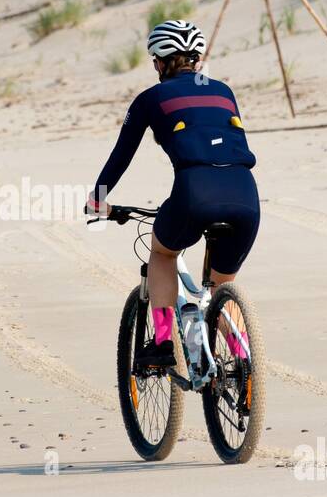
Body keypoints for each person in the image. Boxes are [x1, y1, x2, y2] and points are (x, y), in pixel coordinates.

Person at [86, 19, 260, 368]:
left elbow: (121, 156)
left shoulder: (150, 99)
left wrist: (97, 199)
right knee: (221, 288)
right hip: (246, 196)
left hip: (194, 194)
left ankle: (164, 343)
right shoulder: (224, 91)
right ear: (195, 59)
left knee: (163, 253)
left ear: (162, 62)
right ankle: (246, 366)